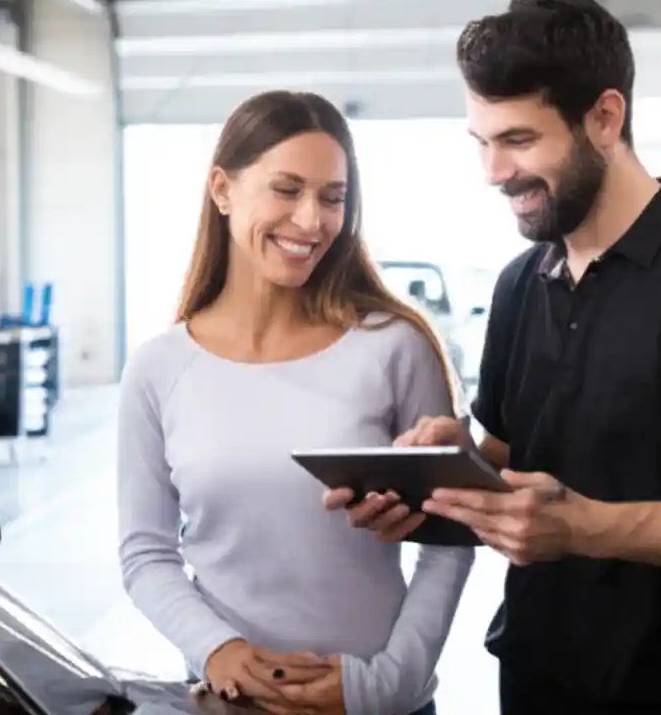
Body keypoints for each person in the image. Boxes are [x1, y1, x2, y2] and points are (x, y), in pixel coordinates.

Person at [324, 0, 661, 714]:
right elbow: (510, 472)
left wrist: (585, 527)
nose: (493, 170)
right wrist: (436, 480)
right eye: (479, 141)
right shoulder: (519, 285)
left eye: (517, 139)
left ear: (605, 117)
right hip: (537, 678)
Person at [117, 90, 474, 715]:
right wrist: (217, 651)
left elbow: (449, 538)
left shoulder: (392, 346)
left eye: (332, 198)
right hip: (231, 703)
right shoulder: (160, 368)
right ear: (223, 190)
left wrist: (382, 685)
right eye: (287, 190)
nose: (311, 221)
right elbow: (145, 553)